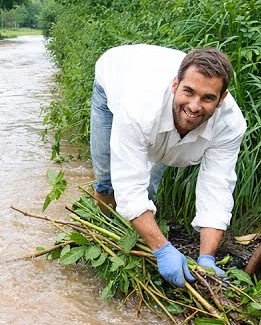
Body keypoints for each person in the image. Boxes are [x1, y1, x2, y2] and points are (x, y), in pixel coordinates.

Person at [89, 44, 247, 287]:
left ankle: (140, 234)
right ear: (175, 85)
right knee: (108, 180)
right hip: (114, 77)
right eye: (189, 92)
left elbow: (217, 187)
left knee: (149, 185)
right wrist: (162, 249)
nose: (195, 106)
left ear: (222, 99)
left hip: (153, 108)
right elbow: (129, 189)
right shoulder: (137, 108)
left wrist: (206, 257)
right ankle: (103, 233)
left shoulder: (230, 124)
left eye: (208, 98)